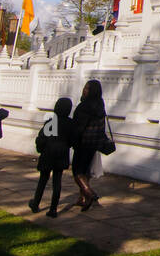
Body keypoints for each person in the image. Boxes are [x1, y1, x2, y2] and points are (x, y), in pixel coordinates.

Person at [30, 97, 74, 217]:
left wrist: (40, 149)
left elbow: (42, 139)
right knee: (57, 182)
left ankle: (35, 204)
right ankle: (53, 209)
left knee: (43, 181)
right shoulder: (70, 124)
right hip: (61, 154)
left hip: (48, 154)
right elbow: (72, 140)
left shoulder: (51, 122)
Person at [70, 79, 108, 211]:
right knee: (85, 171)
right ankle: (82, 198)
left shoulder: (84, 107)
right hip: (94, 143)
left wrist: (73, 141)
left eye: (87, 88)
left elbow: (79, 127)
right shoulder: (99, 104)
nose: (84, 90)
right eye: (84, 88)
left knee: (77, 172)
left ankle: (89, 193)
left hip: (83, 143)